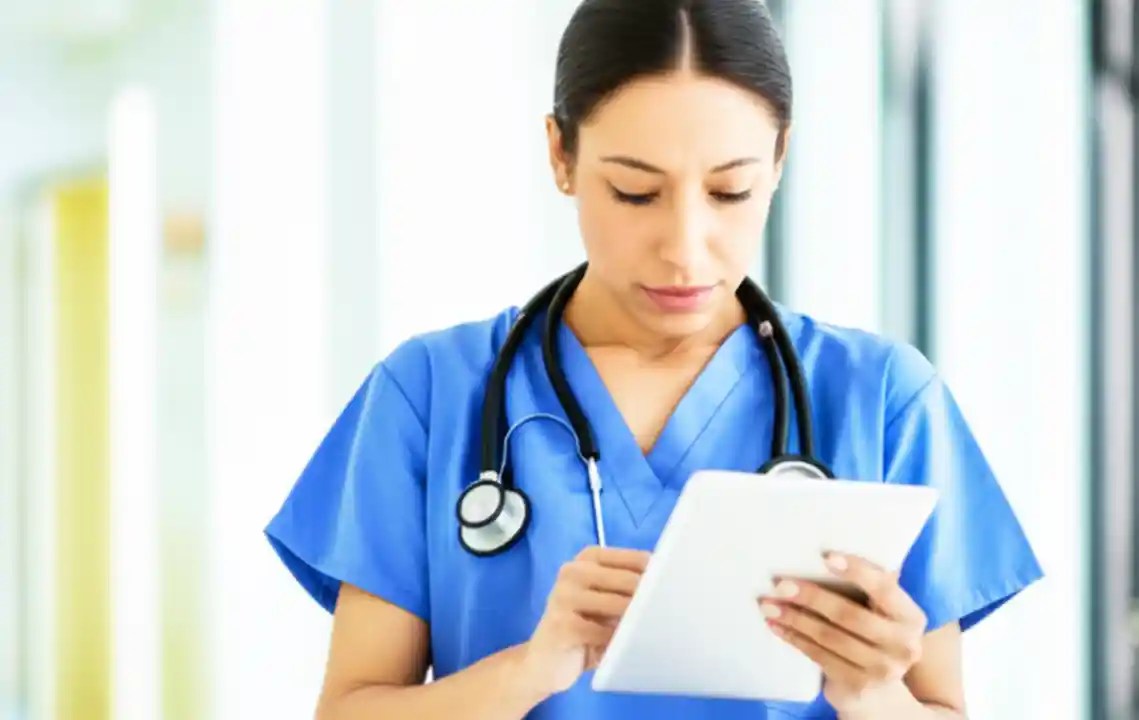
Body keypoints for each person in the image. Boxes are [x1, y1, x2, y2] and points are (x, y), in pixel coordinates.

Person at [264, 0, 1043, 717]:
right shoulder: (434, 394)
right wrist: (529, 670)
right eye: (636, 193)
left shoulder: (881, 400)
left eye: (731, 192)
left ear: (779, 160)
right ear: (560, 155)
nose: (684, 248)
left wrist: (874, 693)